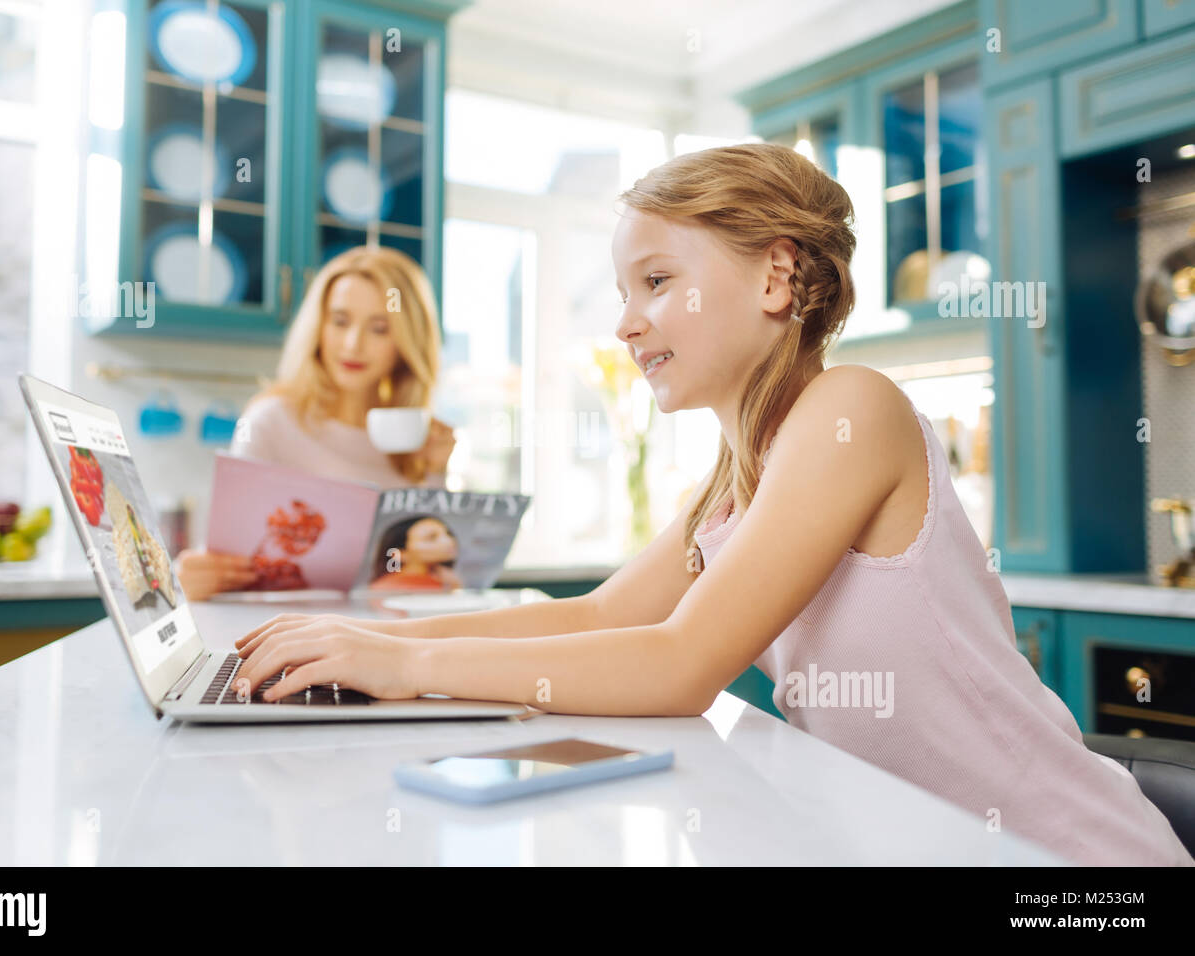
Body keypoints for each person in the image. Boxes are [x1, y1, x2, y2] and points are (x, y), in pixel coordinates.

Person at [227, 144, 1193, 866]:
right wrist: (362, 646)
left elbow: (682, 663)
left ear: (776, 276)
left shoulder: (851, 410)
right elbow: (605, 615)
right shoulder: (736, 477)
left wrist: (407, 662)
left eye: (656, 282)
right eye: (622, 289)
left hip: (1069, 867)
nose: (625, 319)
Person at [176, 246, 455, 601]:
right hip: (282, 634)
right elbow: (224, 559)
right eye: (340, 321)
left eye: (380, 328)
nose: (353, 344)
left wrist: (435, 471)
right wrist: (193, 579)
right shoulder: (271, 421)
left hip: (382, 640)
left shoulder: (417, 439)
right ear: (319, 326)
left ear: (407, 341)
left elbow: (425, 570)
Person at [367, 515, 461, 591]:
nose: (450, 541)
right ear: (399, 554)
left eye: (448, 534)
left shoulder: (444, 579)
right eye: (431, 538)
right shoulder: (388, 587)